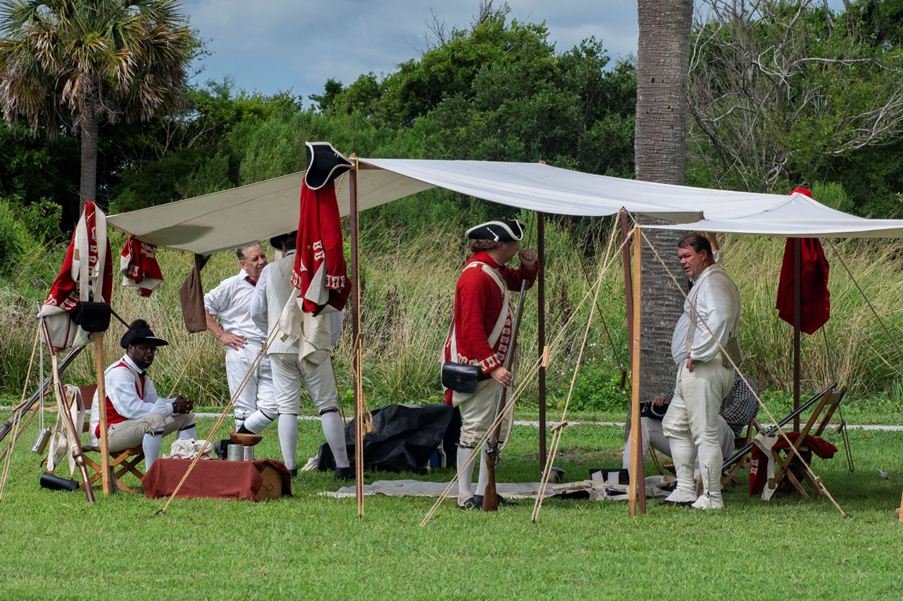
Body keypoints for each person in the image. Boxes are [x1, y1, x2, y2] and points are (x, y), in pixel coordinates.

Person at [444, 219, 539, 510]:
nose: (516, 247)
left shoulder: (492, 269)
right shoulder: (476, 276)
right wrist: (493, 366)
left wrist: (527, 267)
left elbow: (518, 283)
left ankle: (485, 490)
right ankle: (463, 495)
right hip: (479, 366)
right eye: (513, 243)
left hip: (492, 364)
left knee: (493, 430)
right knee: (474, 430)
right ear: (499, 243)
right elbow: (471, 329)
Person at [248, 232, 350, 479]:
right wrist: (329, 340)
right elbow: (334, 311)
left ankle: (290, 467)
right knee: (327, 406)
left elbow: (256, 312)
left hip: (280, 346)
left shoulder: (270, 270)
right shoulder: (320, 269)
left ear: (283, 246)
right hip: (314, 343)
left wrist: (275, 331)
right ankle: (343, 466)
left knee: (287, 409)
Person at [662, 233, 741, 510]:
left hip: (707, 366)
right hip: (697, 367)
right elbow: (715, 258)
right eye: (680, 257)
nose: (682, 262)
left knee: (705, 433)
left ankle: (712, 497)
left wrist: (699, 352)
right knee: (673, 424)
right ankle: (685, 488)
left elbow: (719, 316)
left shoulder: (714, 282)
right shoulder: (710, 276)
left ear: (703, 255)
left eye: (687, 256)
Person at [89, 320, 196, 470]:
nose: (150, 353)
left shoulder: (140, 374)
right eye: (144, 348)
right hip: (107, 435)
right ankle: (151, 477)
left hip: (128, 428)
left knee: (186, 416)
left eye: (153, 350)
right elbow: (133, 409)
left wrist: (178, 404)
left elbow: (155, 402)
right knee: (155, 420)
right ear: (130, 348)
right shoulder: (120, 373)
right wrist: (173, 407)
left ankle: (187, 467)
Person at [622, 373, 759, 474]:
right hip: (686, 439)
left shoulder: (742, 382)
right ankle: (627, 479)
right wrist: (662, 403)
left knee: (714, 420)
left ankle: (697, 481)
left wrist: (698, 416)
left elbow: (739, 416)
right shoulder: (693, 378)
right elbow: (672, 400)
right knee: (644, 423)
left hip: (720, 440)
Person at [204, 242, 274, 432]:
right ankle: (243, 459)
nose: (262, 261)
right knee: (244, 410)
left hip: (270, 350)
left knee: (273, 407)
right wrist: (221, 335)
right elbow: (201, 307)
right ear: (243, 264)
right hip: (243, 349)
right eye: (255, 259)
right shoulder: (231, 285)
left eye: (263, 256)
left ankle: (230, 445)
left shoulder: (272, 280)